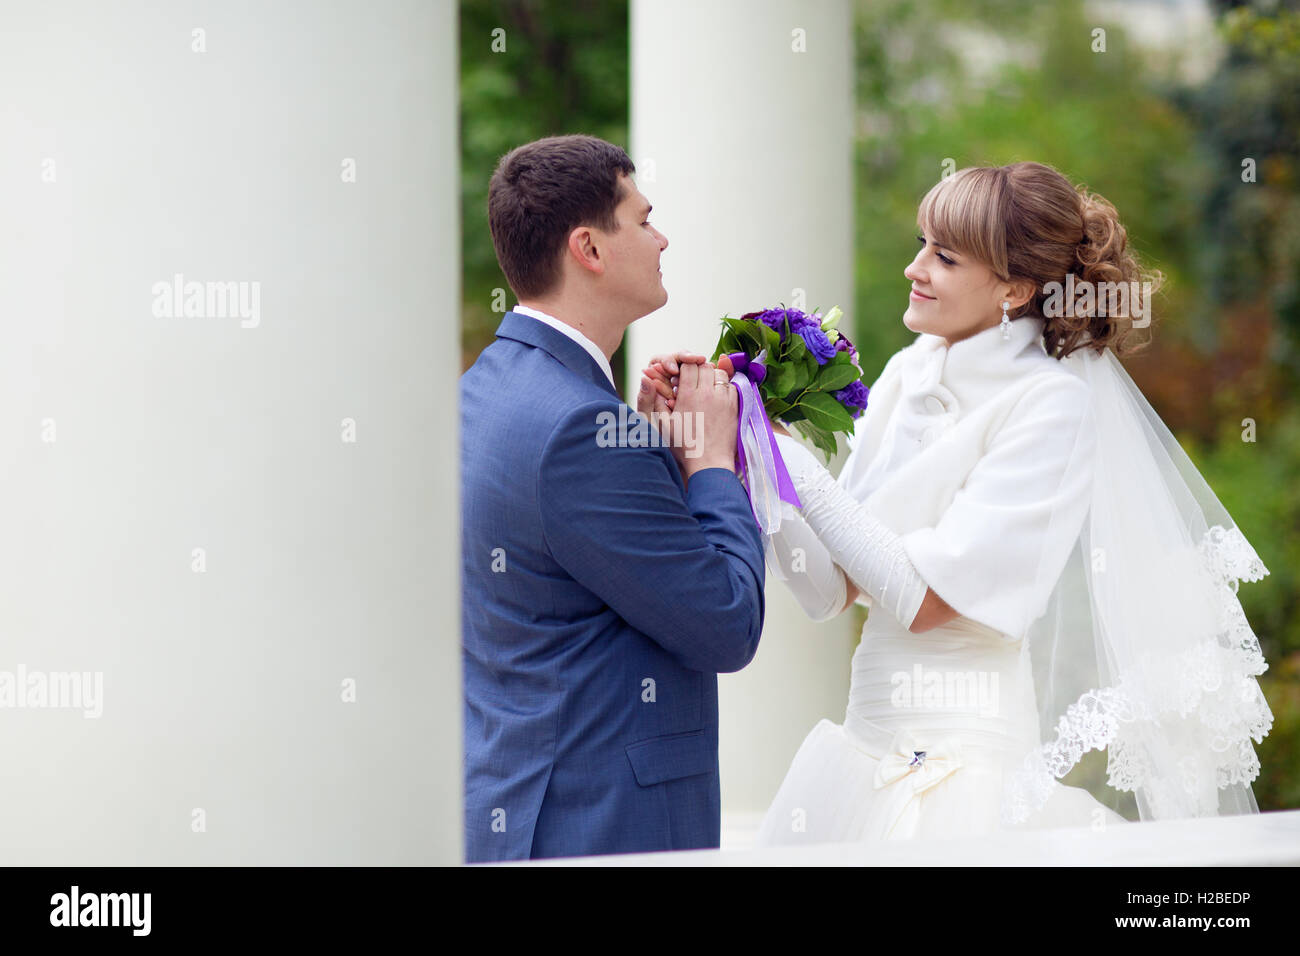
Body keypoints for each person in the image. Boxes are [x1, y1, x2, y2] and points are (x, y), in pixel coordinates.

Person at [656, 162, 1272, 844]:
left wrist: (783, 456)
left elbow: (925, 602)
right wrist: (745, 454)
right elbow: (827, 591)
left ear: (1014, 287)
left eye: (944, 256)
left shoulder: (1052, 405)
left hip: (967, 773)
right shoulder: (905, 372)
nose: (914, 268)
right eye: (922, 244)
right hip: (859, 755)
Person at [460, 134, 765, 862]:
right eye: (644, 218)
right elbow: (726, 621)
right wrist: (710, 461)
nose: (663, 239)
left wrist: (650, 443)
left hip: (520, 802)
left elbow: (576, 562)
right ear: (590, 248)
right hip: (602, 826)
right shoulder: (581, 428)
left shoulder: (485, 388)